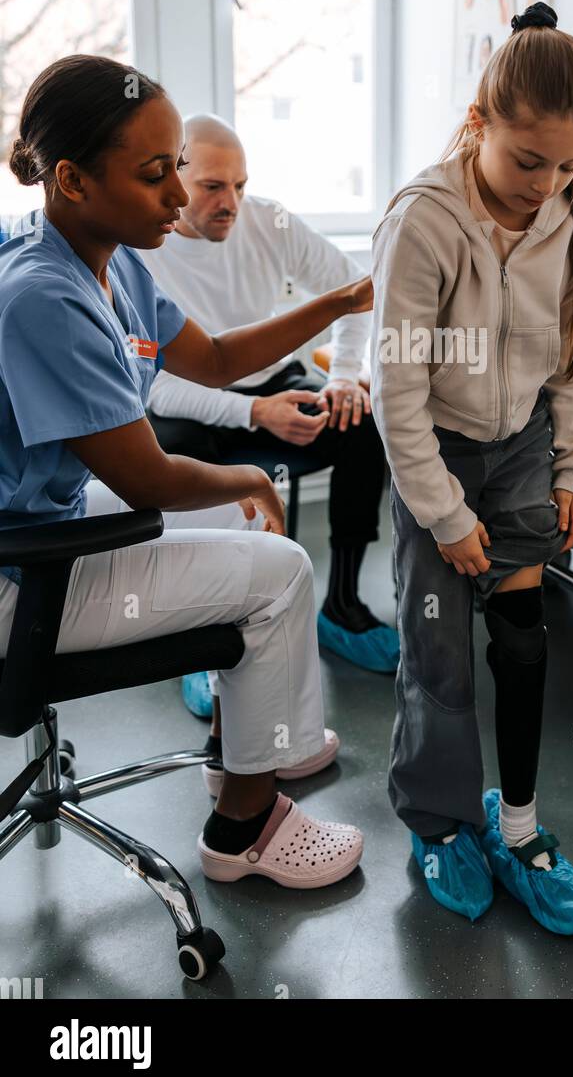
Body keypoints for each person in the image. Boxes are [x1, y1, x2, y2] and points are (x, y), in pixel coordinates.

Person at [0, 54, 372, 891]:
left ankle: (257, 740)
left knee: (245, 536)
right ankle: (245, 826)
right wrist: (248, 476)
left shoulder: (110, 252)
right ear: (71, 179)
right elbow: (152, 484)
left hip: (41, 522)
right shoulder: (40, 296)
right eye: (155, 173)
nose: (178, 196)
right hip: (20, 569)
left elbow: (212, 356)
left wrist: (339, 304)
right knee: (281, 572)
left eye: (178, 169)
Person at [370, 3, 573, 934]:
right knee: (439, 659)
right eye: (528, 160)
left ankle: (518, 828)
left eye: (569, 166)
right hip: (434, 445)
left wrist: (570, 474)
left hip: (520, 453)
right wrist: (441, 514)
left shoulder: (566, 219)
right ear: (479, 124)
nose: (546, 184)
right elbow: (395, 395)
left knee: (521, 641)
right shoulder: (423, 223)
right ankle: (438, 824)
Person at [140, 114, 396, 693]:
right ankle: (202, 639)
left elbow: (357, 290)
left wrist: (347, 378)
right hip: (194, 405)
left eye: (241, 185)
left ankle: (342, 605)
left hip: (276, 386)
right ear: (177, 182)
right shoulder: (144, 250)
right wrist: (254, 413)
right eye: (212, 187)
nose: (230, 202)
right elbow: (153, 386)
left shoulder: (270, 221)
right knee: (173, 451)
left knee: (365, 425)